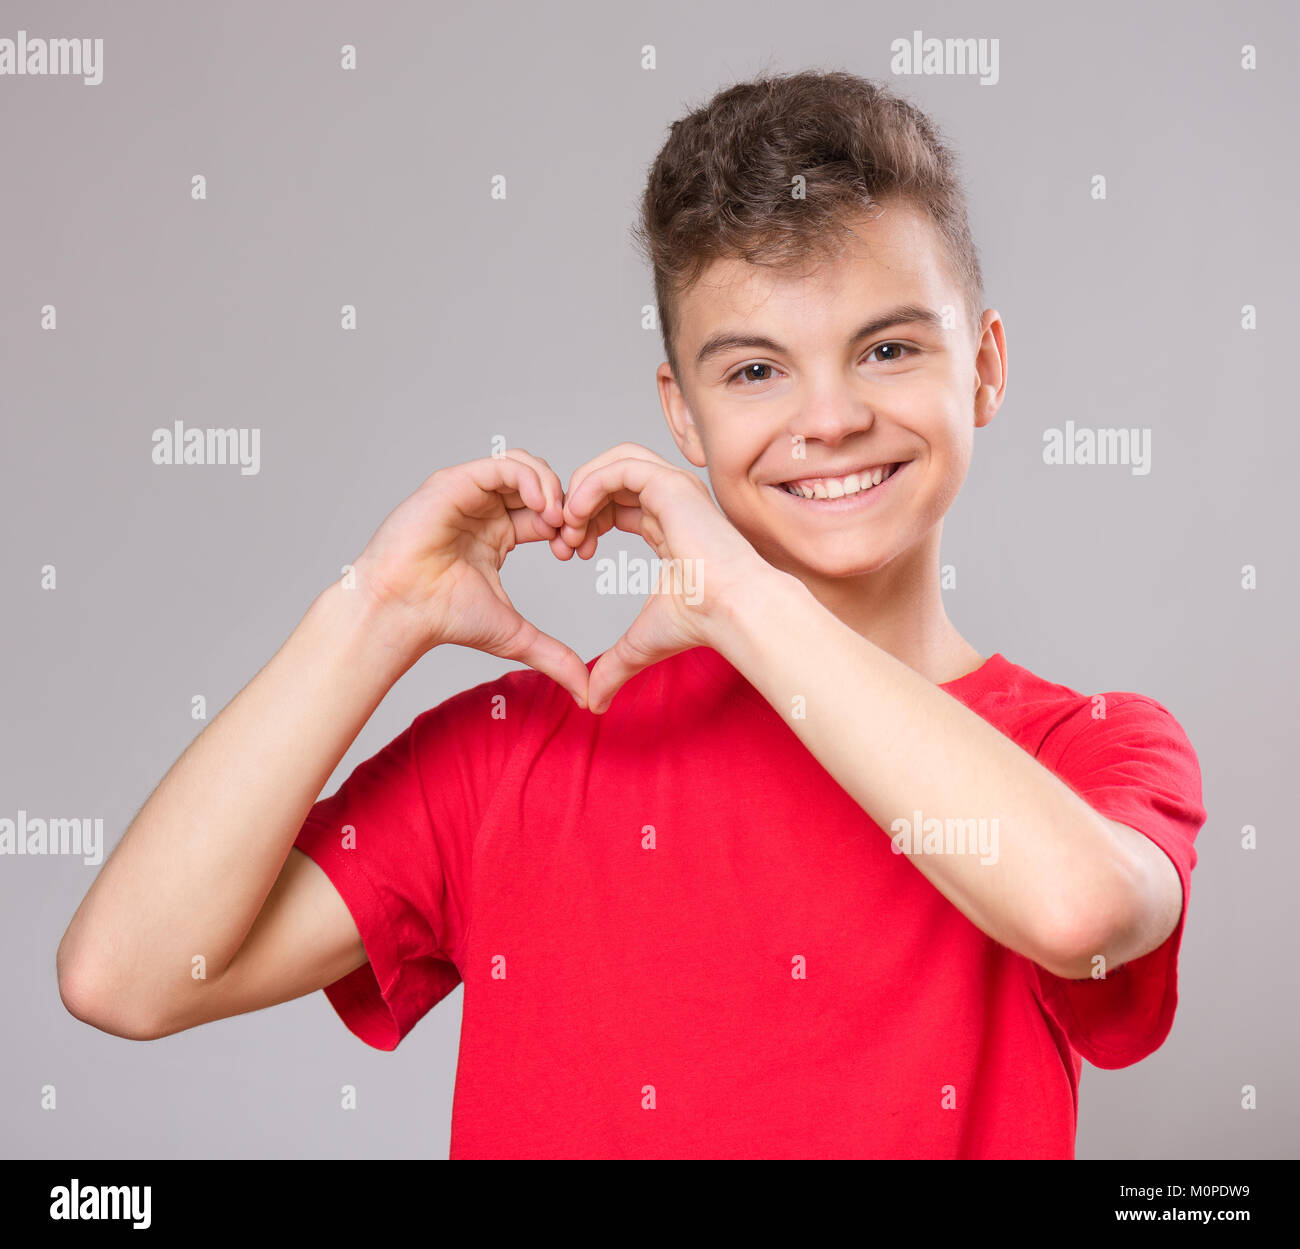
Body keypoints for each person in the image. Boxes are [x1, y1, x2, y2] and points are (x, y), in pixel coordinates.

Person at [56, 69, 1206, 1159]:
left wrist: (746, 600)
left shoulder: (1088, 748)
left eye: (889, 349)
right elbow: (128, 976)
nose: (831, 417)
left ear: (986, 369)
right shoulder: (523, 746)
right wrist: (372, 609)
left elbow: (1075, 909)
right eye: (755, 371)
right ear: (684, 419)